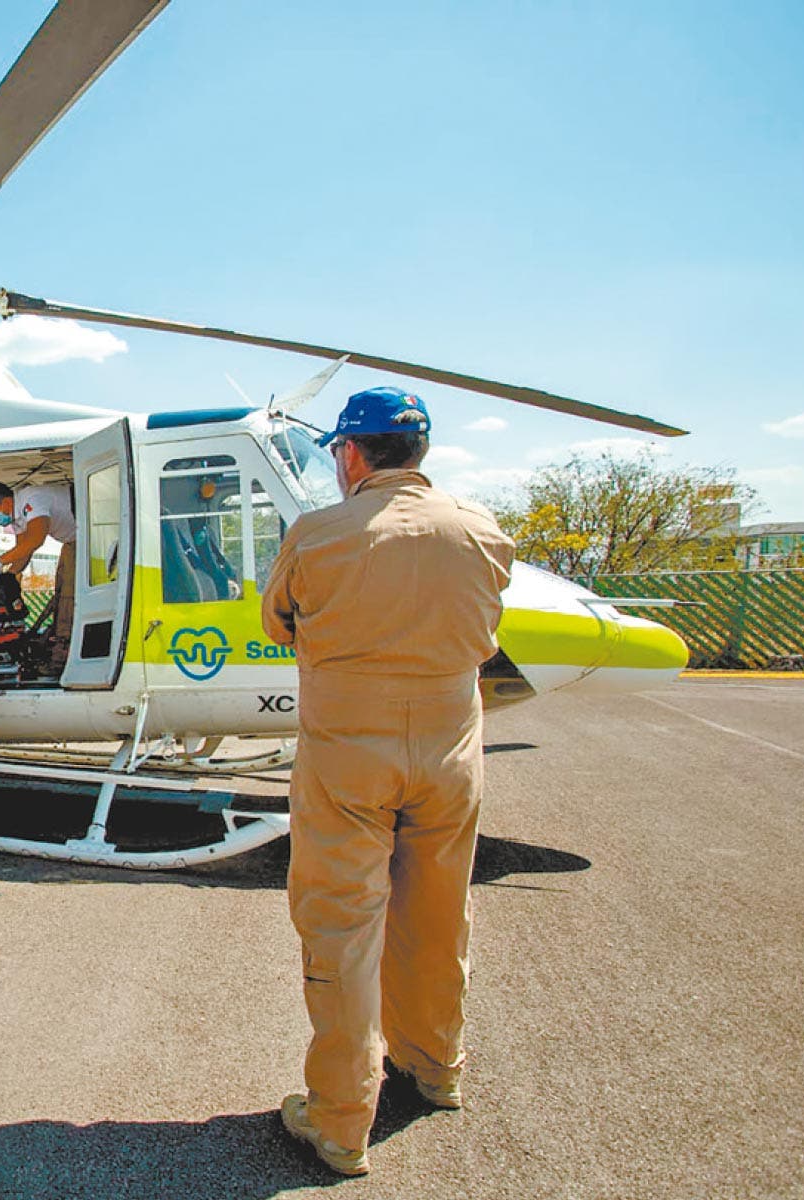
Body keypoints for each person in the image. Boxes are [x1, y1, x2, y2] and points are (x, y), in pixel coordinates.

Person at [258, 387, 515, 1177]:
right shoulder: (482, 529)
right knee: (438, 912)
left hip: (347, 758)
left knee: (342, 924)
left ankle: (340, 1120)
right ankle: (435, 1068)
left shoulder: (319, 533)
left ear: (351, 453)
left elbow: (277, 620)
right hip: (450, 752)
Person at [0, 478, 76, 673]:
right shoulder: (17, 518)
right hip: (70, 542)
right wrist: (8, 578)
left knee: (68, 599)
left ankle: (61, 660)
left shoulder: (32, 499)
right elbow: (23, 551)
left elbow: (36, 539)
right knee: (60, 593)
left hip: (82, 539)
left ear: (6, 502)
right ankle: (57, 647)